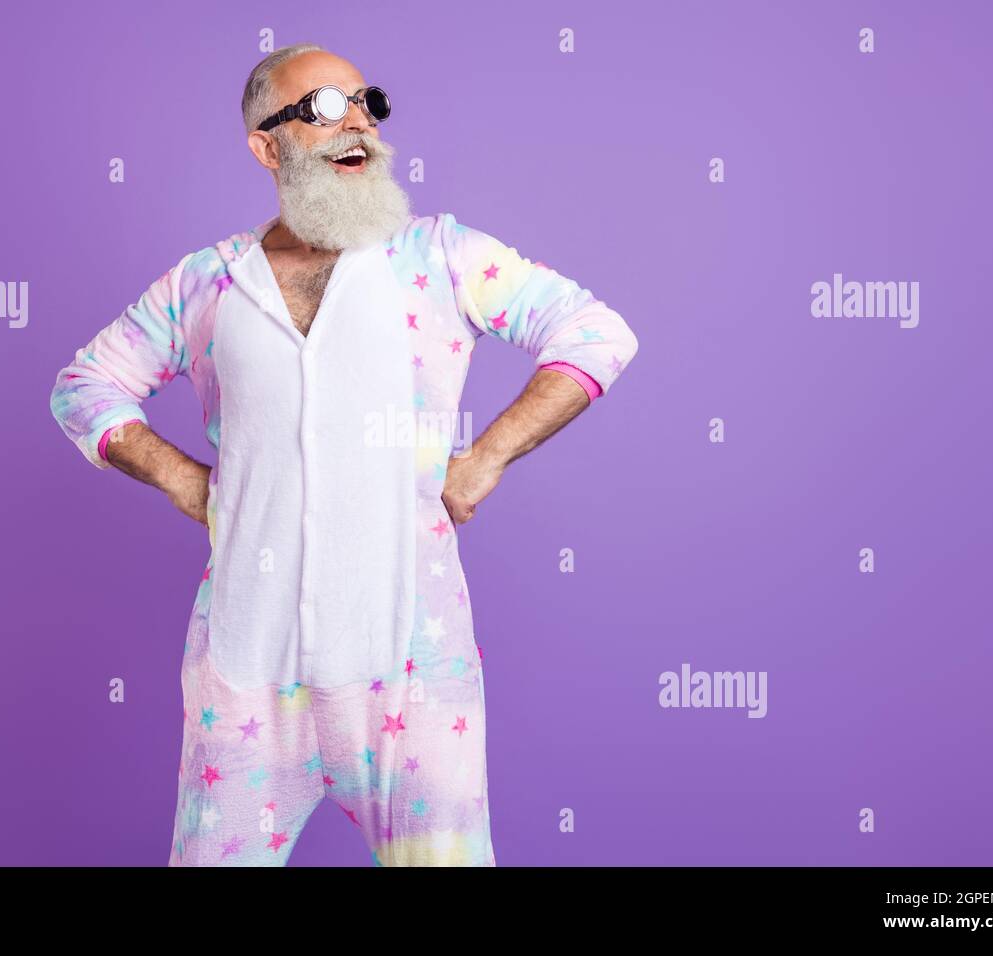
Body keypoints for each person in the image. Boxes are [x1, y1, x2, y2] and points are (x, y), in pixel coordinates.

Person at [49, 43, 639, 866]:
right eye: (323, 108)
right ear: (266, 144)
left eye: (364, 102)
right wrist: (184, 480)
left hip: (412, 674)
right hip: (246, 676)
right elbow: (85, 387)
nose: (356, 119)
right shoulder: (207, 285)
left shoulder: (440, 257)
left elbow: (596, 333)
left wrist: (489, 457)